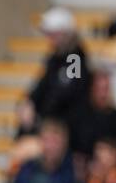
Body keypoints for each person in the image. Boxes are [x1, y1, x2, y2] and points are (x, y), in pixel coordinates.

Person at [17, 8, 91, 136]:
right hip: (50, 121)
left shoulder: (75, 58)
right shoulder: (55, 58)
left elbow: (68, 93)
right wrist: (28, 102)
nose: (49, 39)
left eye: (53, 34)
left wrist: (40, 115)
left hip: (67, 126)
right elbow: (42, 84)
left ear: (66, 33)